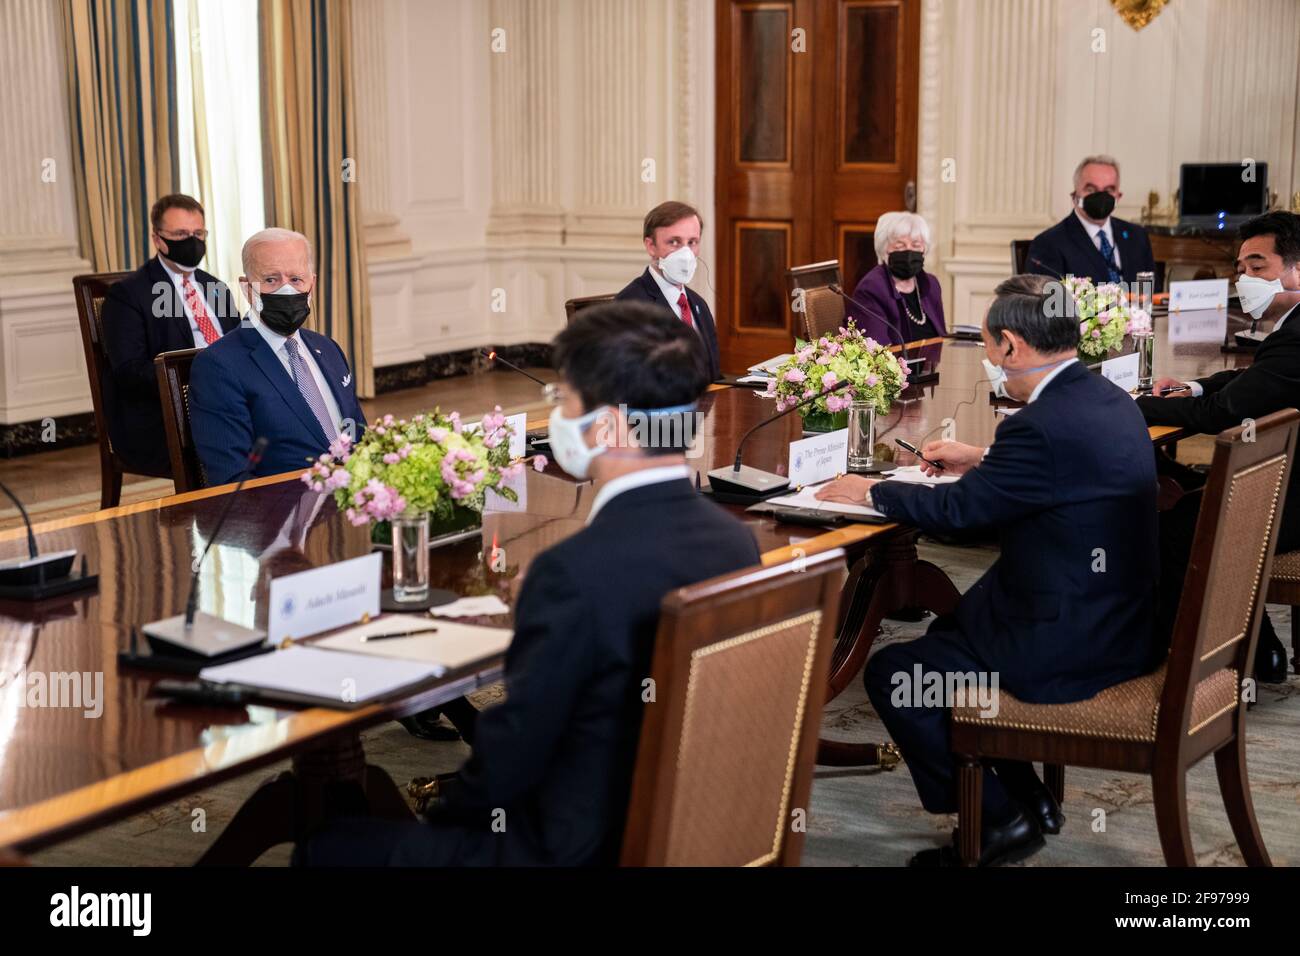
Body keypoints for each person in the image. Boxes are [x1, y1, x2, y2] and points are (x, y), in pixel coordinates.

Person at [298, 301, 761, 866]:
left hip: (568, 848)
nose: (557, 418)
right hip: (699, 823)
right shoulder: (734, 542)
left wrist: (439, 825)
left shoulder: (574, 571)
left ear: (610, 424)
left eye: (564, 400)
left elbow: (511, 755)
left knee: (331, 846)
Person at [815, 274, 1159, 866]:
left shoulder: (1037, 425)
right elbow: (1066, 466)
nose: (991, 361)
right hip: (1123, 621)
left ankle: (995, 820)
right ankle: (1027, 796)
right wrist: (983, 457)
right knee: (946, 635)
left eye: (990, 349)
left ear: (1010, 346)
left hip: (1064, 641)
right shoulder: (1108, 399)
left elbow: (958, 516)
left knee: (898, 675)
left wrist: (871, 492)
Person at [1138, 211, 1300, 682]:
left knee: (1177, 525)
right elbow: (1255, 381)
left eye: (1258, 267)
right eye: (1241, 268)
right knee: (1188, 495)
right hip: (1285, 479)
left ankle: (1199, 663)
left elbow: (1222, 415)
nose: (1244, 279)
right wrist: (1193, 387)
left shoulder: (1295, 338)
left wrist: (1132, 408)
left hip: (1289, 499)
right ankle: (1259, 652)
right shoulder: (1290, 330)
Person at [189, 228, 367, 485]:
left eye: (296, 279)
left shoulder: (327, 349)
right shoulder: (219, 366)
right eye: (271, 280)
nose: (286, 291)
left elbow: (360, 437)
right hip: (287, 514)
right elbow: (232, 478)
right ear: (247, 289)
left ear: (312, 285)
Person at [100, 194, 240, 477]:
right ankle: (229, 509)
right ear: (157, 239)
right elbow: (129, 371)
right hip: (165, 415)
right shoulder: (128, 295)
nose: (192, 241)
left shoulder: (215, 287)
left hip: (229, 401)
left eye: (198, 233)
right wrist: (197, 381)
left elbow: (238, 345)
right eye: (181, 234)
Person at [615, 201, 721, 381]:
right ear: (651, 246)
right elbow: (631, 381)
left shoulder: (698, 304)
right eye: (674, 242)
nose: (686, 253)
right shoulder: (630, 306)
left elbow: (714, 375)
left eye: (692, 242)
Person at [1027, 155, 1155, 284]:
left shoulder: (1137, 237)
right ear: (1074, 195)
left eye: (1109, 190)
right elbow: (1048, 300)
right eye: (1090, 189)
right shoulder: (1049, 244)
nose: (1100, 196)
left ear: (1118, 196)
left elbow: (1153, 294)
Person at [847, 211, 946, 345]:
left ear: (924, 249)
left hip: (933, 365)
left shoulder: (930, 284)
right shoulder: (871, 289)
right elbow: (877, 350)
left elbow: (941, 339)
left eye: (916, 245)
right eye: (900, 246)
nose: (909, 251)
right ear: (884, 250)